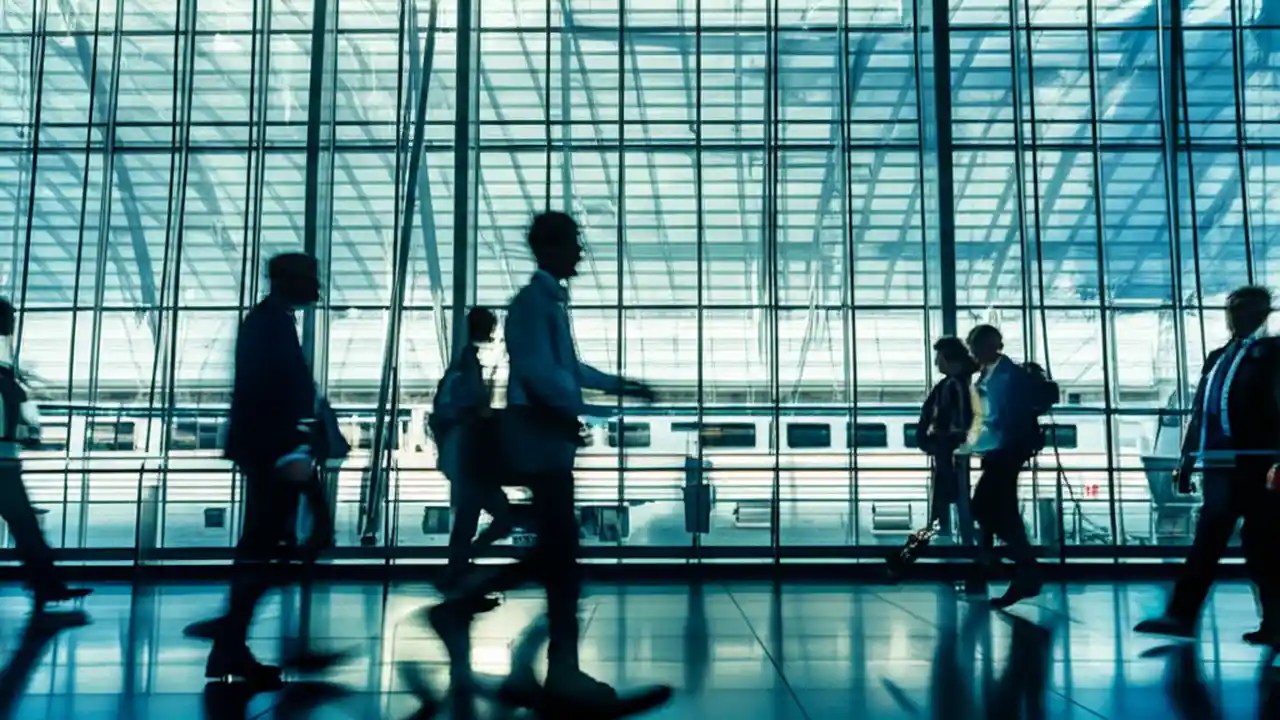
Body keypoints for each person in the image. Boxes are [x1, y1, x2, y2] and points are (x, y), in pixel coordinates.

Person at [425, 211, 671, 715]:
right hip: (540, 437)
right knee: (562, 556)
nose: (581, 253)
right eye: (574, 244)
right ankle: (558, 668)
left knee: (559, 553)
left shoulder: (544, 303)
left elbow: (566, 370)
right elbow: (545, 376)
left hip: (545, 436)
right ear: (552, 248)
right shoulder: (533, 305)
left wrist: (619, 386)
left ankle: (471, 614)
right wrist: (581, 410)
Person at [1134, 286, 1280, 646]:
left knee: (1258, 545)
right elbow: (1202, 411)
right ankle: (1184, 615)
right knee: (1215, 540)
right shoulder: (1218, 357)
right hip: (1223, 464)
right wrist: (1187, 459)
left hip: (1256, 463)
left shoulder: (1273, 354)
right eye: (1232, 308)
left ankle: (1269, 621)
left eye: (1245, 309)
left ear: (1263, 313)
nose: (1236, 315)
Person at [205, 252, 324, 684]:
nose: (317, 289)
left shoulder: (268, 323)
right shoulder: (269, 327)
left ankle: (230, 638)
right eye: (310, 280)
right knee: (264, 546)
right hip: (275, 453)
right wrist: (290, 451)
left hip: (271, 452)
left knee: (264, 545)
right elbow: (269, 395)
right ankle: (230, 638)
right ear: (285, 281)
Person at [0, 299, 91, 610]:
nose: (13, 320)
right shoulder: (3, 372)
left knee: (25, 525)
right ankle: (46, 585)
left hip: (5, 461)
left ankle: (47, 585)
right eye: (9, 315)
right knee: (25, 526)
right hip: (3, 463)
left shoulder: (4, 369)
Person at [434, 307, 514, 589]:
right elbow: (467, 408)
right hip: (470, 457)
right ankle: (460, 565)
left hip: (465, 457)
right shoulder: (467, 368)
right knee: (495, 517)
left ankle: (459, 567)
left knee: (469, 518)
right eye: (490, 325)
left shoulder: (463, 365)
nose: (492, 332)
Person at [966, 324, 1043, 608]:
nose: (972, 352)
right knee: (998, 509)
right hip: (1002, 451)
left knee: (986, 506)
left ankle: (1020, 567)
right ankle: (1021, 570)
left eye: (974, 346)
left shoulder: (1004, 376)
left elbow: (998, 417)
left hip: (1007, 451)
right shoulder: (993, 373)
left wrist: (976, 442)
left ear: (988, 346)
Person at [887, 336, 977, 577]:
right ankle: (970, 559)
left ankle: (906, 558)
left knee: (940, 513)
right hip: (951, 455)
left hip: (948, 456)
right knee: (958, 509)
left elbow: (956, 423)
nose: (936, 362)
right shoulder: (962, 383)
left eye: (939, 357)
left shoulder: (953, 386)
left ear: (949, 358)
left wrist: (936, 441)